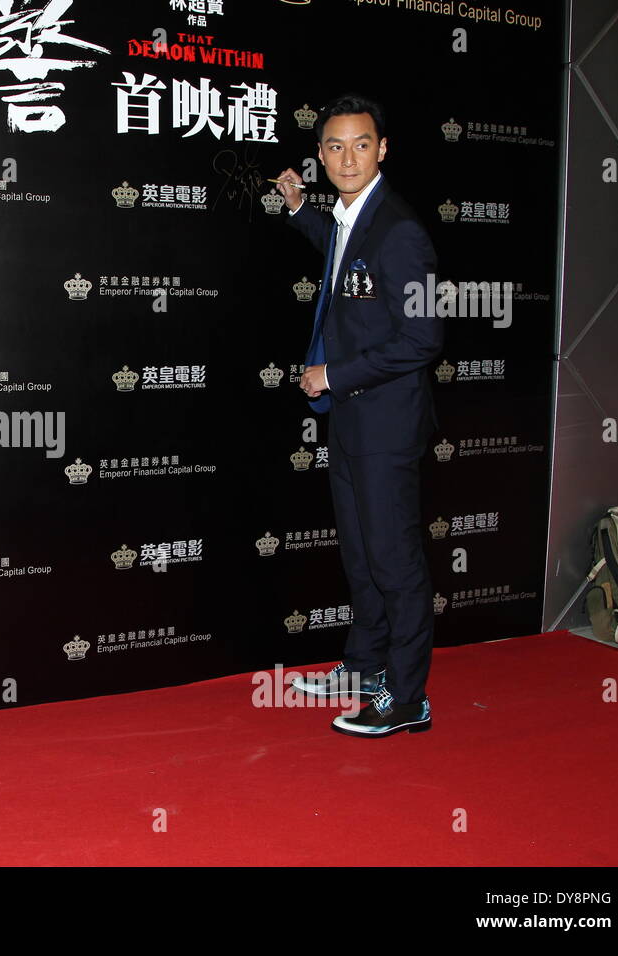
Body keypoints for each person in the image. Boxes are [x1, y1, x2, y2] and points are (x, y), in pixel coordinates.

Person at [273, 94, 442, 737]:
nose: (348, 157)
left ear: (383, 149)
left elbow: (423, 340)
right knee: (363, 558)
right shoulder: (349, 216)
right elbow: (343, 256)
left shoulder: (401, 231)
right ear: (320, 155)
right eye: (335, 146)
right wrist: (298, 209)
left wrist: (333, 374)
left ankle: (407, 698)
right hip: (350, 423)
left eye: (361, 144)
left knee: (395, 562)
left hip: (386, 428)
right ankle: (365, 670)